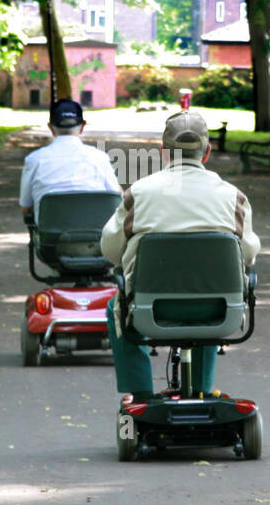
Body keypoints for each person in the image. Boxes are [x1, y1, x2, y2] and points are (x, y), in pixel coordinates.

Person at [100, 110, 260, 401]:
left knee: (116, 306)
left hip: (151, 311)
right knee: (216, 284)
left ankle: (140, 393)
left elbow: (111, 250)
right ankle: (200, 389)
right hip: (217, 312)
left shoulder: (138, 194)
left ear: (164, 151)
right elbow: (248, 255)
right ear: (207, 152)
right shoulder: (233, 198)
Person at [19, 98, 120, 221]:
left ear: (51, 128)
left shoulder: (34, 160)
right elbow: (116, 197)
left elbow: (26, 207)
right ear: (82, 126)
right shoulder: (100, 157)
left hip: (49, 231)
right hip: (95, 230)